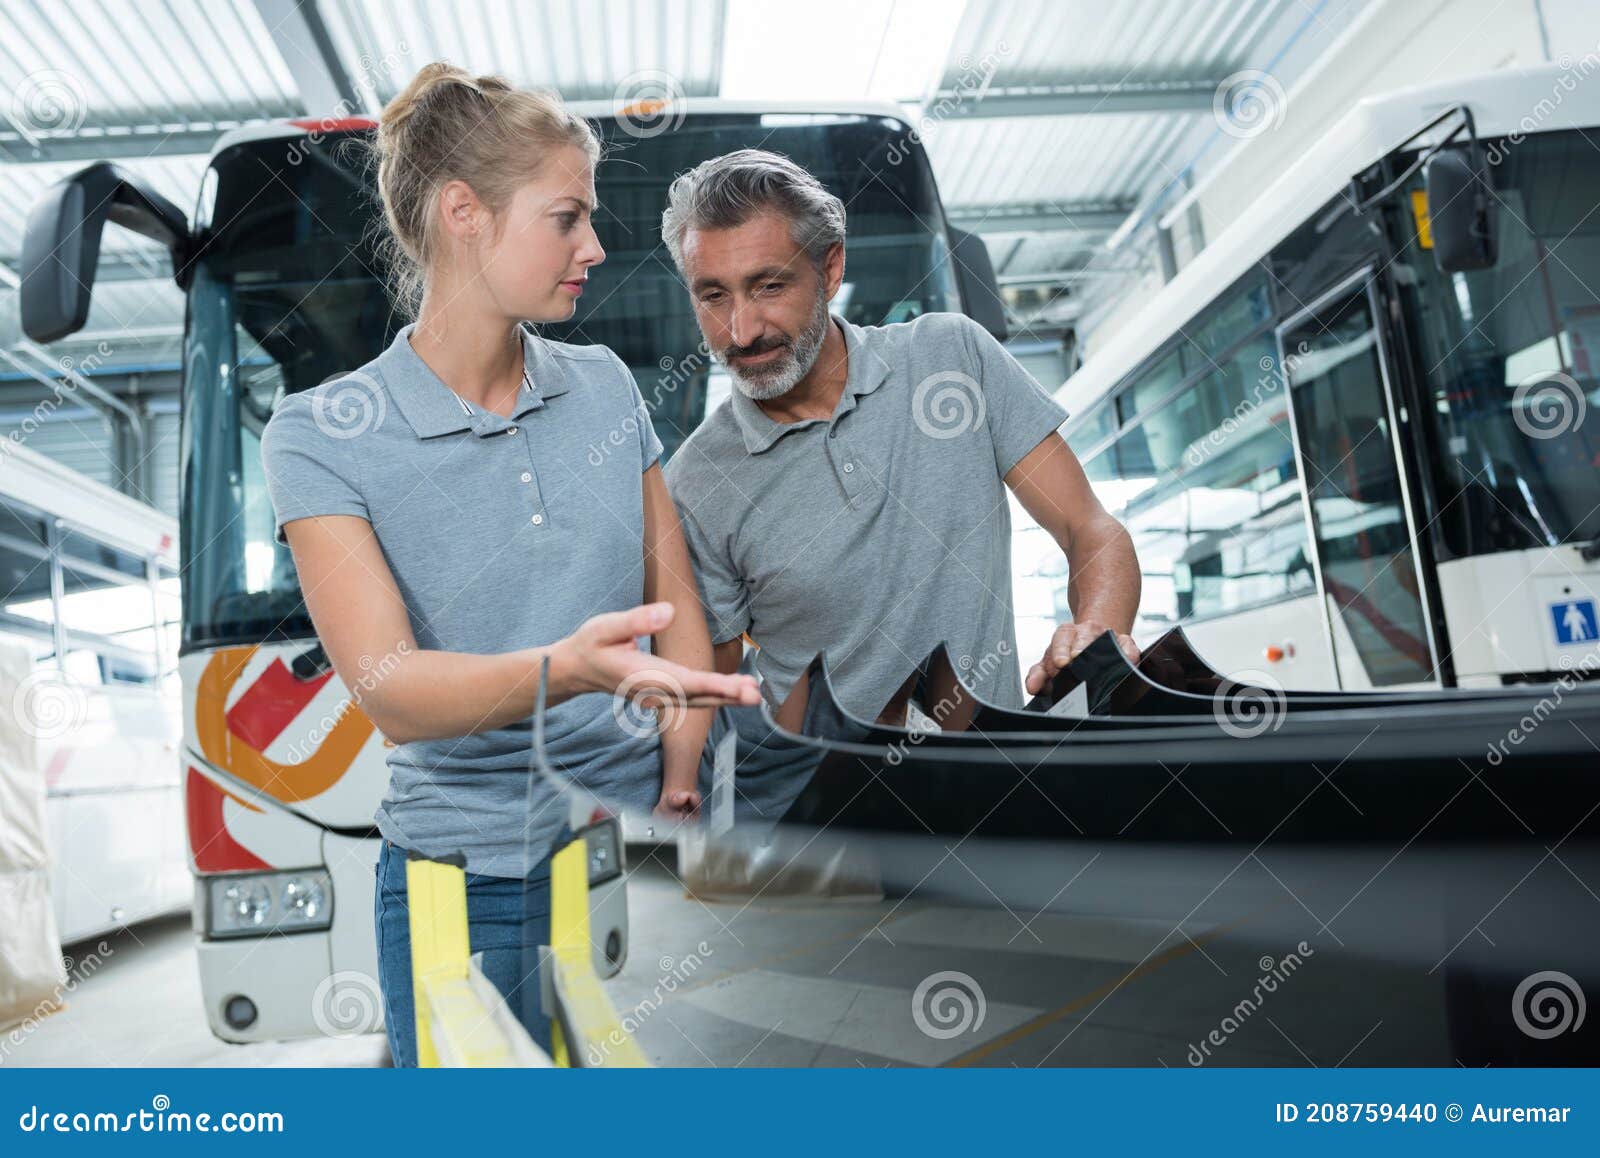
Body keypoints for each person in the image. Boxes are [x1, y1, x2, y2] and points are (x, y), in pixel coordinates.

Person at [259, 63, 757, 1066]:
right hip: (451, 887)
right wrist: (568, 668)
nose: (596, 248)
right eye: (566, 218)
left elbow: (673, 597)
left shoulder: (605, 388)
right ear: (464, 215)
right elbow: (392, 692)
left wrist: (681, 758)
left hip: (582, 861)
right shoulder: (321, 436)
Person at [659, 149, 1140, 721]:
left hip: (993, 787)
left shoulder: (951, 356)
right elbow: (711, 697)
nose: (740, 331)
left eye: (768, 286)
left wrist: (1098, 634)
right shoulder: (692, 483)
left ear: (830, 269)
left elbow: (1089, 528)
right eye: (713, 295)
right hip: (823, 805)